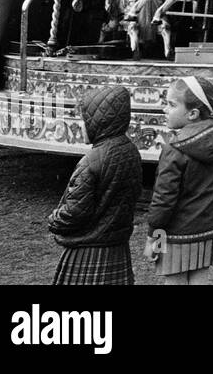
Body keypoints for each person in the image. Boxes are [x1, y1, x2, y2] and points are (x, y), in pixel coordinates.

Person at [145, 76, 213, 285]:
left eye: (171, 104)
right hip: (207, 229)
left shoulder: (174, 150)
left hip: (175, 234)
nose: (164, 109)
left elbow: (163, 202)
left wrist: (153, 239)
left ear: (193, 113)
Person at [47, 85, 143, 285]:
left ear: (99, 122)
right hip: (116, 246)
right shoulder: (131, 151)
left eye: (83, 121)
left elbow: (74, 213)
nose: (80, 126)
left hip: (88, 250)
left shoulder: (91, 161)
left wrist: (54, 219)